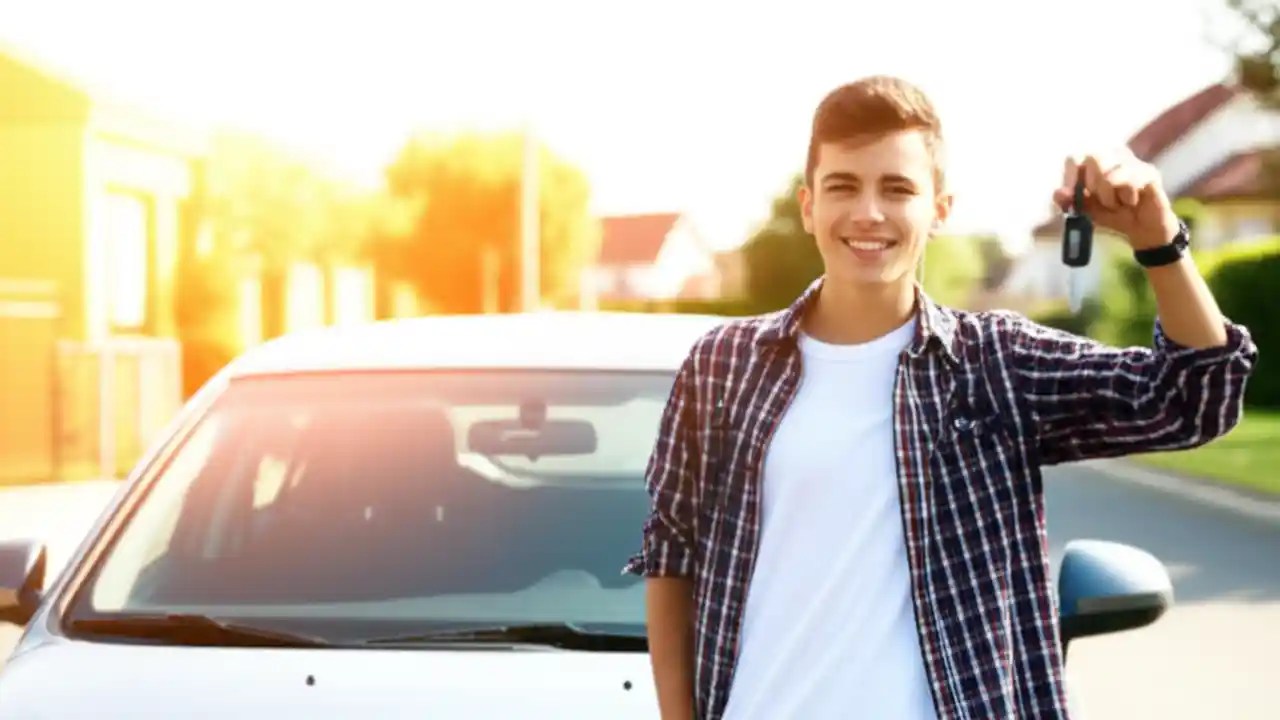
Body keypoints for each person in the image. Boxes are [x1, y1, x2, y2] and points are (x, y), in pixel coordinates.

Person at [622, 75, 1257, 720]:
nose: (869, 212)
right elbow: (673, 555)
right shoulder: (723, 366)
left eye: (897, 188)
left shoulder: (994, 364)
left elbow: (1193, 399)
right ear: (809, 205)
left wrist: (1159, 239)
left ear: (940, 209)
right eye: (844, 185)